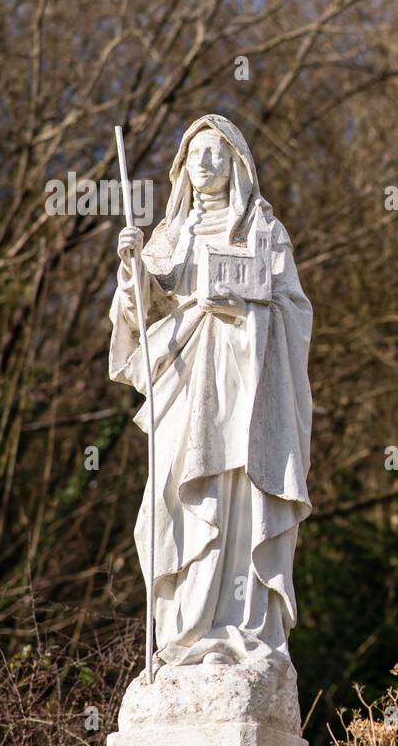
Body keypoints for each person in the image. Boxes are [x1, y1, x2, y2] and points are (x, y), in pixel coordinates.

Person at [109, 114, 312, 671]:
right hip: (185, 380)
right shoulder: (169, 237)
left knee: (240, 497)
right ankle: (184, 632)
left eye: (217, 152)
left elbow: (295, 311)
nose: (205, 162)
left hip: (248, 388)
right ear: (182, 166)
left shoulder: (264, 231)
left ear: (237, 164)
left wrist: (247, 312)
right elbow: (137, 315)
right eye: (195, 152)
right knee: (180, 499)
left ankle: (241, 629)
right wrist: (132, 272)